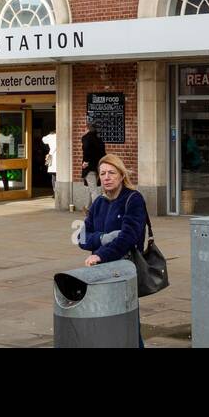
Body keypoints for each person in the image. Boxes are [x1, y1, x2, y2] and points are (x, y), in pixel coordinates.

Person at [78, 154, 151, 346]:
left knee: (127, 322)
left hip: (123, 269)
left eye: (112, 172)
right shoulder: (99, 203)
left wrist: (100, 253)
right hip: (100, 271)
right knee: (102, 321)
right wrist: (103, 238)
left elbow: (129, 237)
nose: (107, 177)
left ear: (121, 175)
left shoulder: (133, 199)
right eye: (103, 173)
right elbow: (81, 237)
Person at [81, 121, 106, 204]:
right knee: (91, 188)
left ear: (87, 128)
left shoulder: (86, 137)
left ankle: (97, 210)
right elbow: (103, 154)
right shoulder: (99, 139)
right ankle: (88, 208)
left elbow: (86, 150)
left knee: (93, 190)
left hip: (89, 167)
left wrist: (86, 161)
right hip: (98, 166)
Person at [42, 129, 57, 197]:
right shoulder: (58, 136)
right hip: (57, 158)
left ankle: (55, 192)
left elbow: (43, 139)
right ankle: (56, 192)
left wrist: (50, 134)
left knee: (54, 176)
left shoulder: (50, 137)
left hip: (53, 158)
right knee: (56, 176)